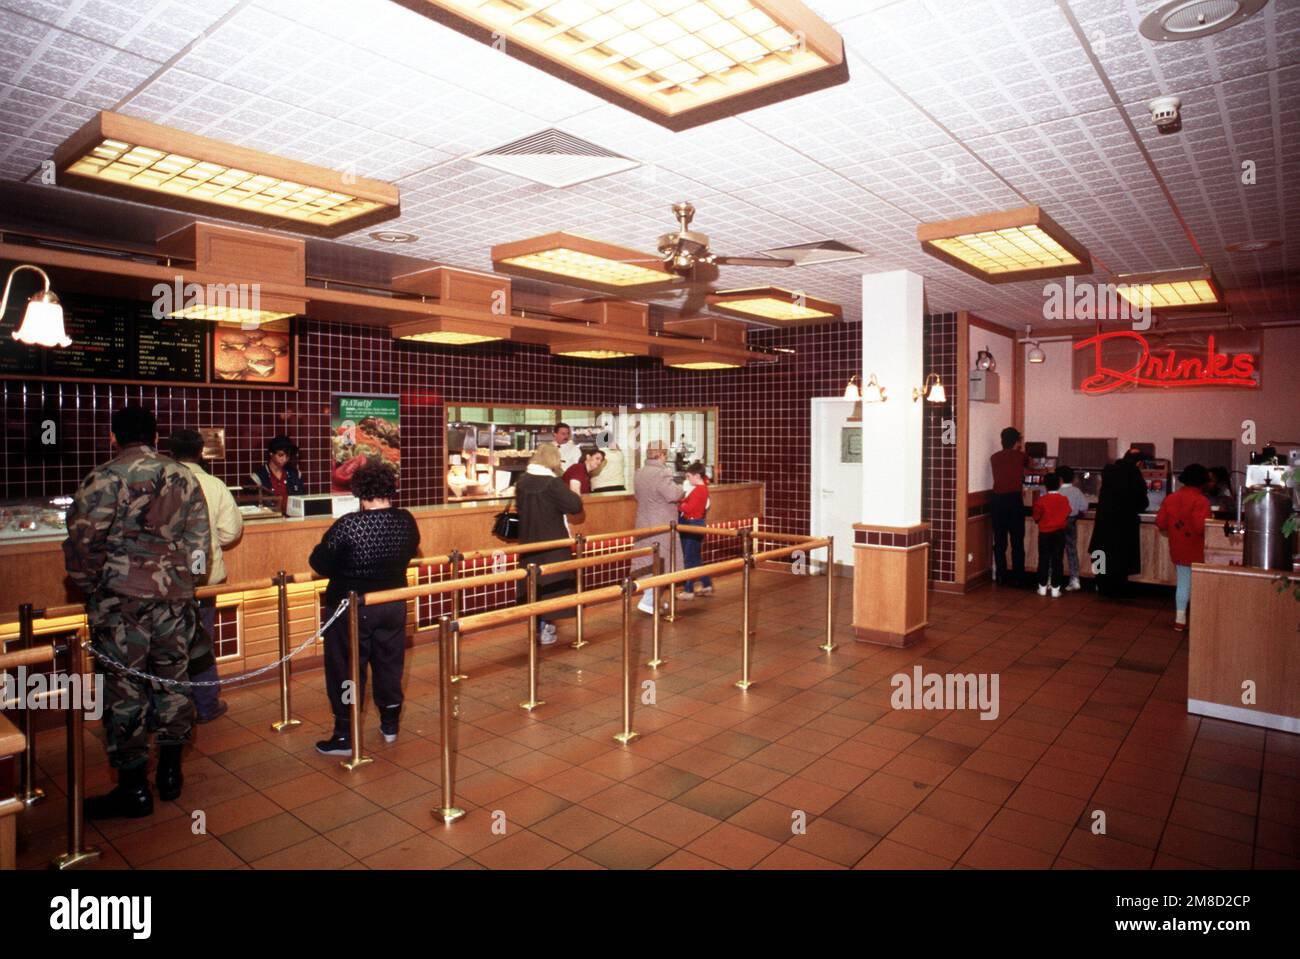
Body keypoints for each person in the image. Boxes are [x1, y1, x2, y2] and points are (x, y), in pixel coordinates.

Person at [63, 405, 210, 818]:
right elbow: (200, 545)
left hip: (120, 603)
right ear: (156, 435)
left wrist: (96, 588)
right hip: (175, 600)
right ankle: (169, 774)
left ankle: (133, 788)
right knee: (173, 681)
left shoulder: (105, 477)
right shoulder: (184, 476)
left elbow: (81, 546)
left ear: (114, 436)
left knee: (124, 688)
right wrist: (186, 583)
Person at [309, 462, 420, 753]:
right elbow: (412, 550)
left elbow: (319, 563)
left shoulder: (348, 524)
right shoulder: (406, 520)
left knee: (346, 670)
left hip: (351, 607)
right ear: (390, 489)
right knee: (389, 664)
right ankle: (390, 725)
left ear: (359, 492)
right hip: (392, 603)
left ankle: (345, 733)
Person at [168, 429, 243, 723]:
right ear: (200, 452)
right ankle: (206, 704)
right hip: (204, 580)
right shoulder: (213, 484)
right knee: (200, 641)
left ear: (170, 453)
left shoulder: (159, 483)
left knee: (166, 644)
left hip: (164, 581)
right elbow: (231, 531)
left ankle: (171, 706)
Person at [515, 443, 583, 645]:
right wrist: (574, 490)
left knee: (532, 584)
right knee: (552, 584)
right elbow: (574, 506)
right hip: (552, 541)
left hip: (528, 541)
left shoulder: (523, 481)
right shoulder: (551, 483)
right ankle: (546, 627)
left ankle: (535, 624)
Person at [1156, 464, 1212, 632]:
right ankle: (1199, 619)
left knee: (1183, 583)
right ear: (1202, 482)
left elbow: (1160, 522)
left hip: (1178, 546)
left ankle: (1180, 620)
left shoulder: (1171, 498)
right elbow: (1200, 527)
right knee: (1200, 584)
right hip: (1197, 547)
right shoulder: (1201, 501)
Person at [1090, 447, 1149, 598]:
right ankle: (1118, 589)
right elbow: (1142, 502)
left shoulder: (1108, 470)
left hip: (1104, 521)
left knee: (1100, 552)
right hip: (1124, 524)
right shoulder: (1134, 474)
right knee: (1121, 556)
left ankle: (1100, 584)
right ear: (1139, 463)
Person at [633, 440, 683, 614]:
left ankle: (651, 600)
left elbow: (638, 495)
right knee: (663, 560)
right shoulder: (663, 473)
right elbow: (673, 494)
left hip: (643, 522)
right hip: (661, 523)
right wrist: (681, 489)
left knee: (649, 561)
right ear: (662, 455)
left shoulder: (639, 472)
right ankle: (649, 601)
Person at [990, 427, 1028, 587]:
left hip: (997, 501)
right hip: (1014, 500)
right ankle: (1019, 577)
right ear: (1016, 441)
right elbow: (1032, 466)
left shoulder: (994, 457)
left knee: (1000, 541)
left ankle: (1001, 575)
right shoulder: (1021, 456)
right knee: (1017, 541)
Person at [1032, 472, 1071, 598]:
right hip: (1059, 533)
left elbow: (1036, 517)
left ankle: (1042, 587)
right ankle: (1055, 589)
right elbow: (1068, 513)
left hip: (1044, 533)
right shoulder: (1064, 500)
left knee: (1043, 559)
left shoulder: (1041, 500)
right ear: (1060, 484)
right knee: (1057, 560)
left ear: (1045, 485)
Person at [678, 462, 713, 599]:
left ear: (697, 476)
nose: (688, 479)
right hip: (697, 523)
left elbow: (688, 508)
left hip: (692, 524)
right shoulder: (702, 488)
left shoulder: (699, 490)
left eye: (689, 476)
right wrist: (683, 503)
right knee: (696, 557)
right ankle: (706, 584)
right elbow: (686, 502)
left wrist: (678, 504)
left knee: (688, 558)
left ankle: (688, 590)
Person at [1056, 465, 1089, 592]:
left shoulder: (1057, 491)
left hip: (1057, 523)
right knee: (1072, 551)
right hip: (1071, 522)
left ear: (1059, 478)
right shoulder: (1076, 491)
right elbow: (1084, 507)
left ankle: (1052, 580)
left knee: (1055, 551)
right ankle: (1075, 579)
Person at [250, 435, 304, 502]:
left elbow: (301, 500)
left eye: (287, 456)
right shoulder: (258, 478)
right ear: (271, 453)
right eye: (280, 455)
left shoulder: (295, 475)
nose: (284, 459)